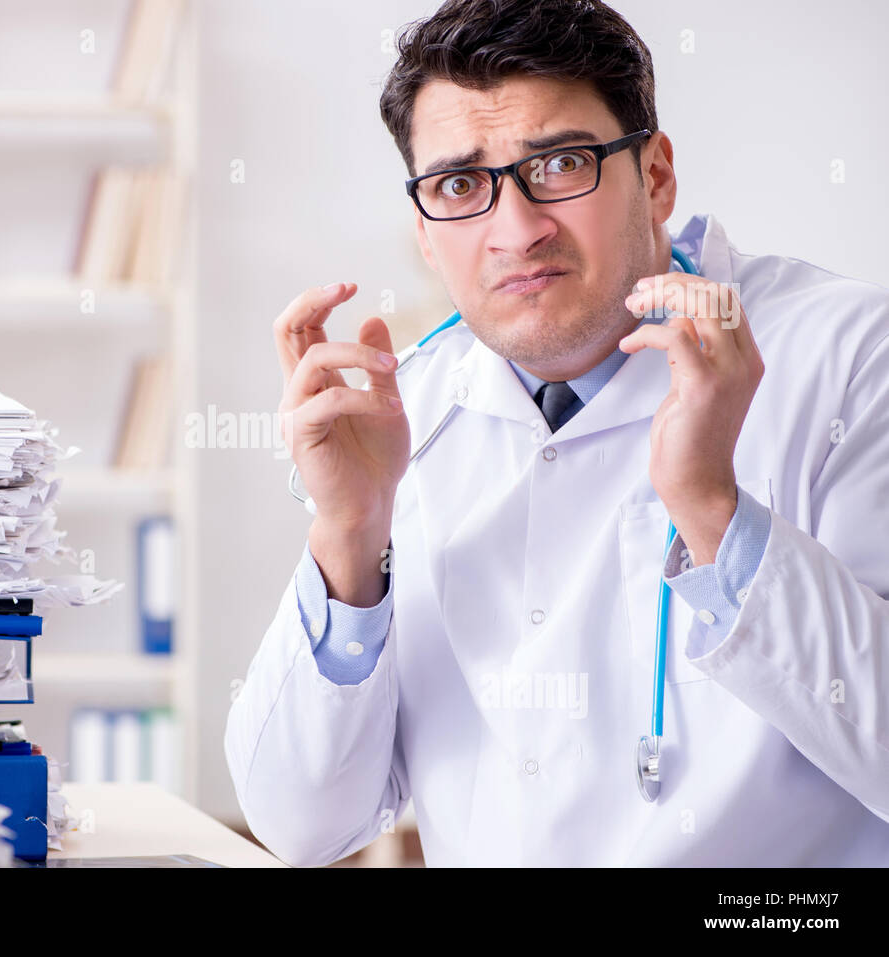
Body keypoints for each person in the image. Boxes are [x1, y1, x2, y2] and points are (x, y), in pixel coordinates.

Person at [224, 0, 889, 866]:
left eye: (562, 163)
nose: (516, 229)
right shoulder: (404, 411)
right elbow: (301, 827)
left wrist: (714, 513)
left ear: (654, 177)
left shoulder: (848, 357)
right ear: (425, 228)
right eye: (461, 185)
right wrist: (347, 535)